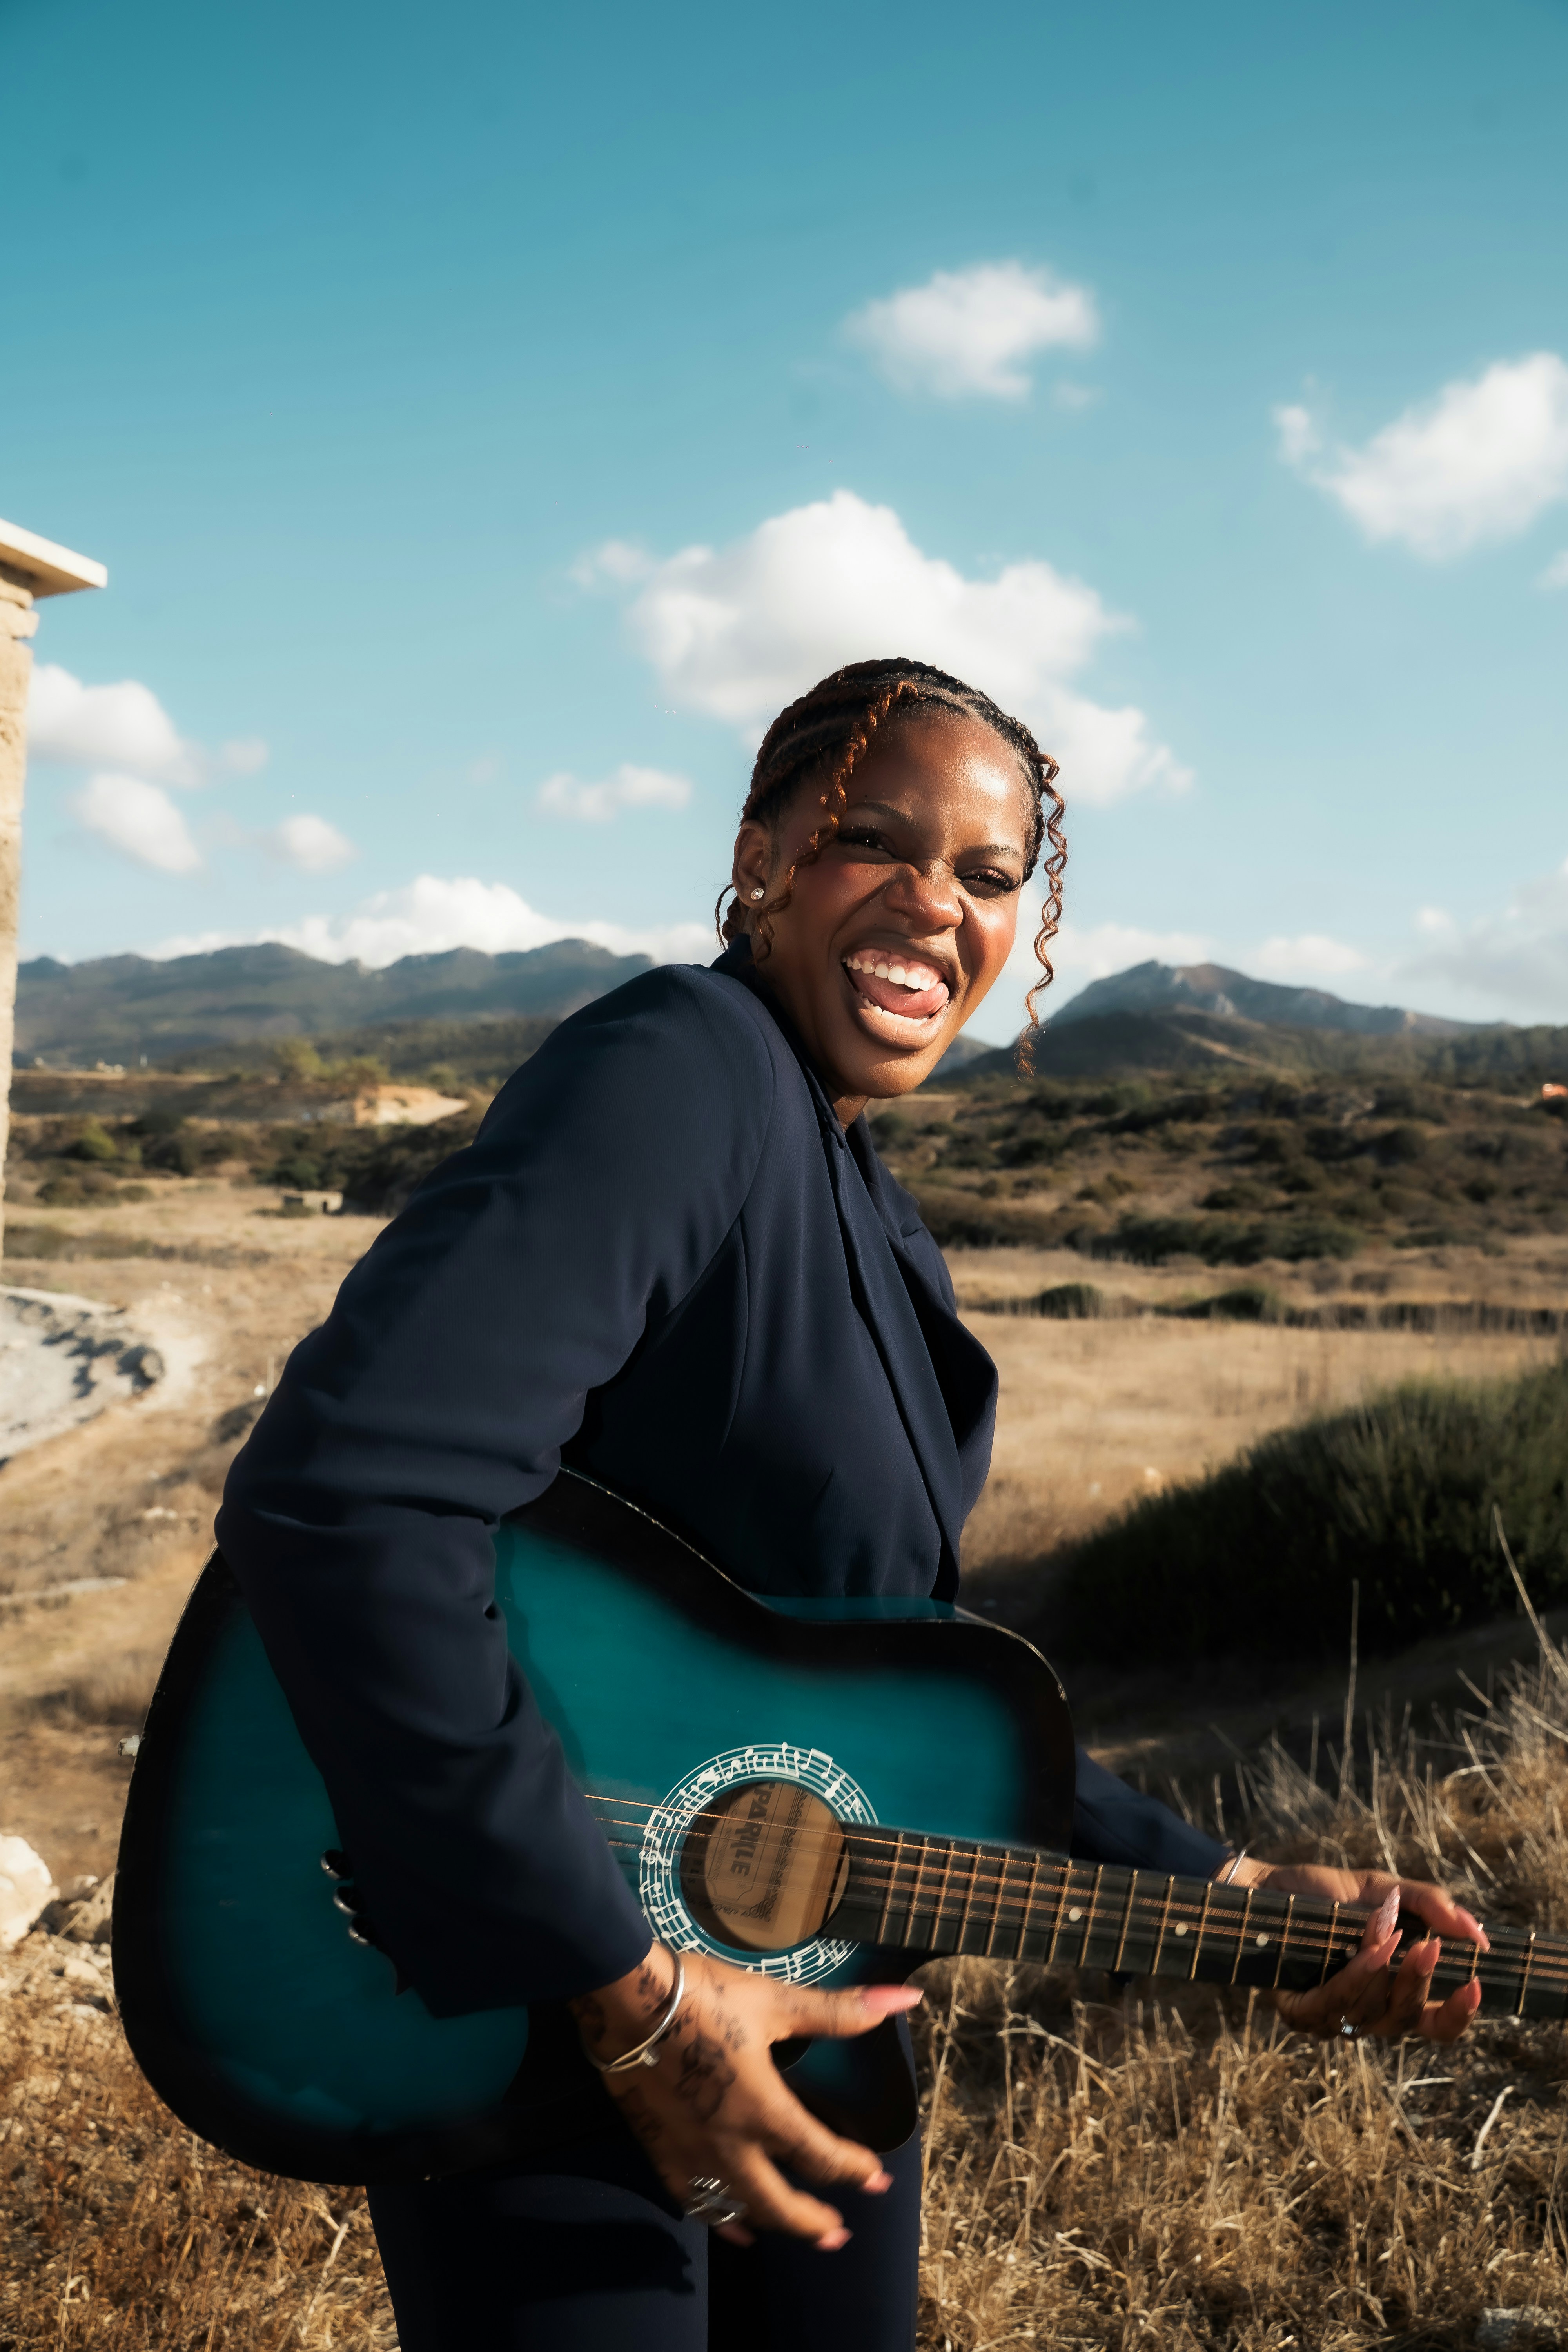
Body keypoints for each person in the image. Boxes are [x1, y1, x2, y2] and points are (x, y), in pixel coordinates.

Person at [218, 658, 1484, 2352]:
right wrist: (636, 1996)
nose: (931, 908)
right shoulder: (684, 1070)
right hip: (547, 2015)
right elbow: (348, 1494)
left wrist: (1234, 1889)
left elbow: (875, 1697)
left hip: (811, 2020)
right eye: (867, 841)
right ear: (759, 854)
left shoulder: (857, 1190)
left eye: (984, 874)